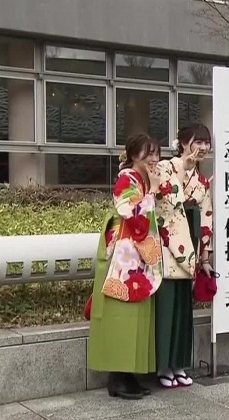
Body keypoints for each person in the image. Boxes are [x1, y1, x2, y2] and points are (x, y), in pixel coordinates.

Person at [87, 133, 163, 400]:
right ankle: (117, 378)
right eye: (148, 153)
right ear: (133, 156)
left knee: (137, 316)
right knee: (121, 316)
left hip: (137, 254)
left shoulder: (142, 180)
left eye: (156, 153)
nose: (154, 158)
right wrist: (152, 191)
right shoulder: (126, 179)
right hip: (123, 255)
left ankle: (129, 375)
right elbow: (130, 212)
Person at [153, 123, 213, 388]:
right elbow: (164, 201)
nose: (201, 147)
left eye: (205, 143)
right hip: (167, 245)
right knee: (166, 307)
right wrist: (182, 169)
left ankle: (178, 364)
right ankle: (162, 366)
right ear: (183, 143)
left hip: (190, 245)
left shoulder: (201, 182)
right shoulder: (166, 167)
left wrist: (205, 256)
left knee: (183, 310)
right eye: (196, 141)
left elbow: (206, 218)